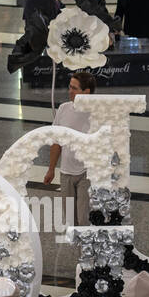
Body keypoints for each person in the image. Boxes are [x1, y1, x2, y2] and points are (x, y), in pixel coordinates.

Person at [43, 70, 96, 227]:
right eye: (70, 86)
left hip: (87, 173)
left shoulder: (96, 113)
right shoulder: (63, 109)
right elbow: (56, 142)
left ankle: (86, 250)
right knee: (71, 219)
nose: (69, 91)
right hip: (66, 173)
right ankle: (79, 247)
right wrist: (51, 169)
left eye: (74, 88)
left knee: (83, 218)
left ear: (86, 92)